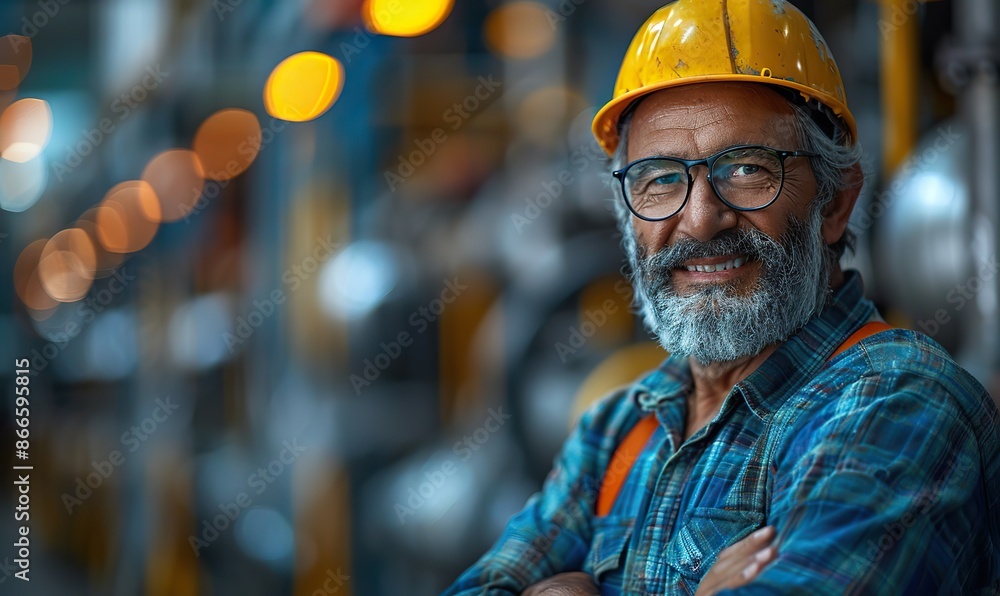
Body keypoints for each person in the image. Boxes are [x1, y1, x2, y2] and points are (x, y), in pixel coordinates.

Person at [445, 0, 1000, 593]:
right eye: (660, 179)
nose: (700, 220)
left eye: (746, 169)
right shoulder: (618, 429)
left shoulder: (896, 406)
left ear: (835, 202)